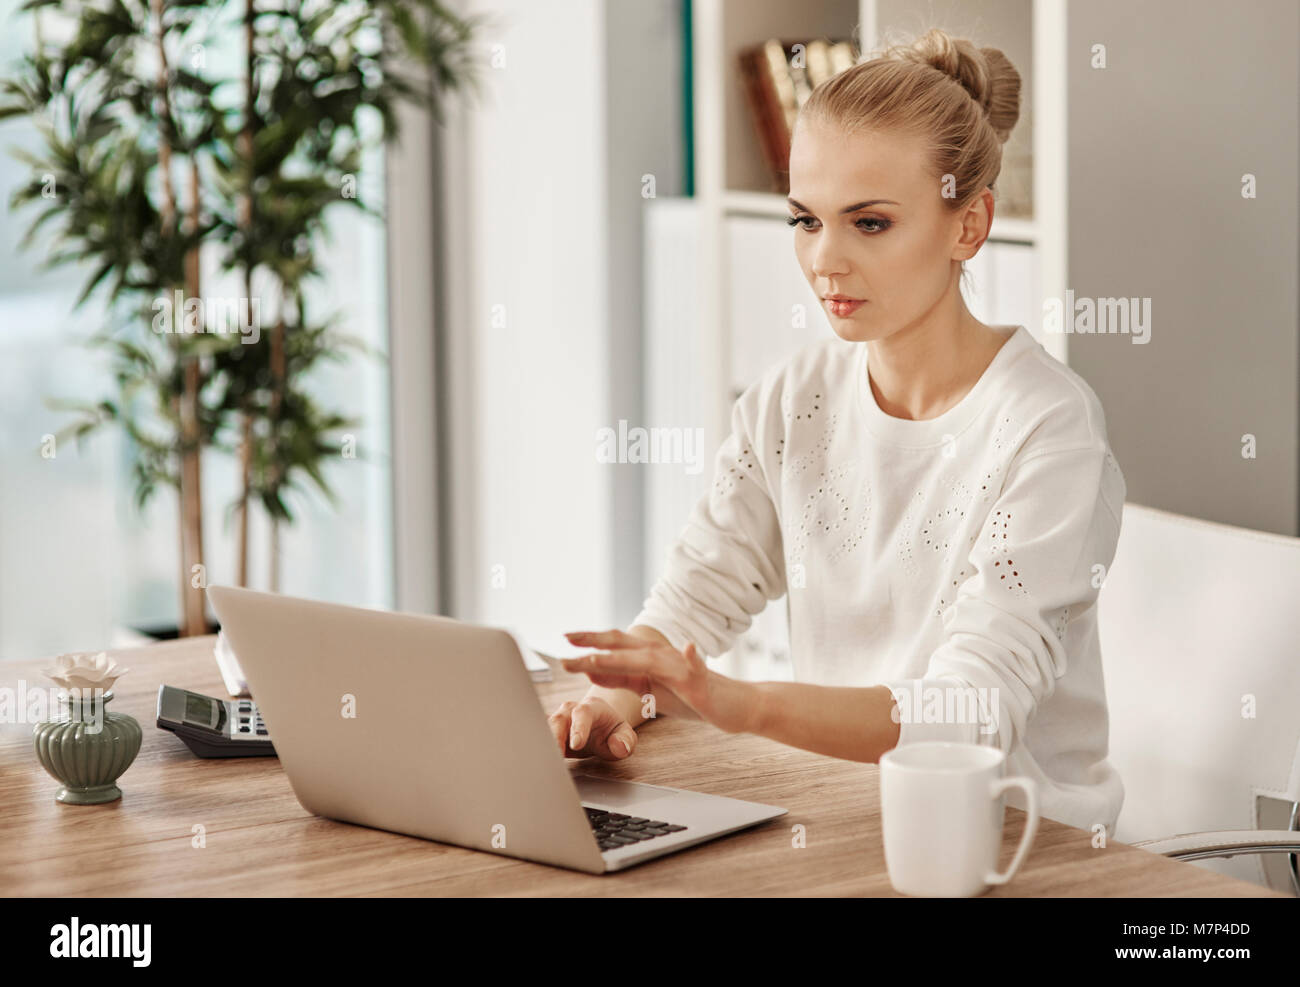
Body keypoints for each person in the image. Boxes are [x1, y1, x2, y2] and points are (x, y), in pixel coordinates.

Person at [549, 27, 1126, 836]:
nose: (824, 259)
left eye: (870, 223)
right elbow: (695, 597)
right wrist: (617, 694)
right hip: (847, 828)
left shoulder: (1049, 430)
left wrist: (739, 703)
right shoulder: (794, 400)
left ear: (969, 224)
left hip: (1014, 848)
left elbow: (969, 714)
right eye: (805, 219)